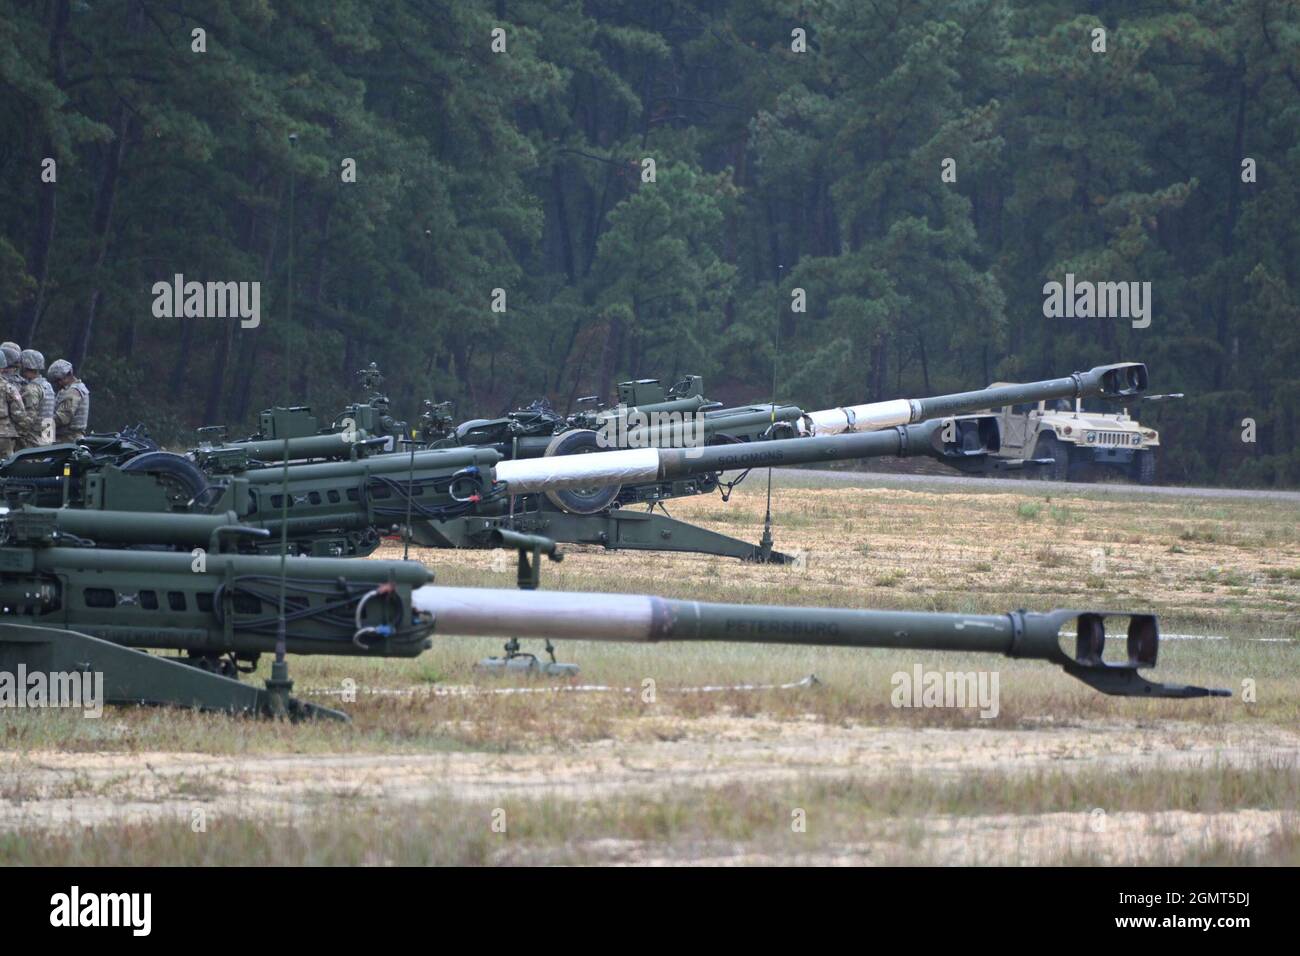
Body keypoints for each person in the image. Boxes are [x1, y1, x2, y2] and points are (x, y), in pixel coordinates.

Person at [16, 349, 55, 448]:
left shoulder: (31, 389)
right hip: (47, 433)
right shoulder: (47, 385)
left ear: (25, 366)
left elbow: (30, 417)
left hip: (34, 438)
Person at [48, 359, 90, 443]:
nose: (59, 383)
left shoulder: (73, 392)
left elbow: (63, 417)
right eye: (56, 381)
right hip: (69, 438)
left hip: (68, 439)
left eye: (60, 379)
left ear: (70, 374)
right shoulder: (77, 388)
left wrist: (41, 423)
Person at [0, 345, 25, 457]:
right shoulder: (8, 387)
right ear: (2, 368)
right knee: (6, 469)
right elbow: (19, 413)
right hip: (4, 434)